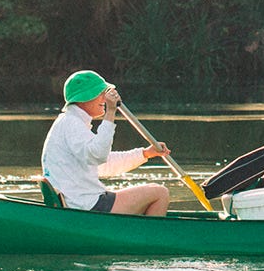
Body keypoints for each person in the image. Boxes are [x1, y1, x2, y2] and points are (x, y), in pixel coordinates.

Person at [42, 70, 171, 216]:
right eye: (100, 94)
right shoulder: (72, 124)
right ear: (85, 97)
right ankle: (147, 232)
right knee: (160, 193)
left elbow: (104, 164)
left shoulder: (69, 123)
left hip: (83, 203)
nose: (104, 99)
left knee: (153, 189)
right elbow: (98, 155)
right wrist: (110, 112)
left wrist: (145, 153)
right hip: (86, 206)